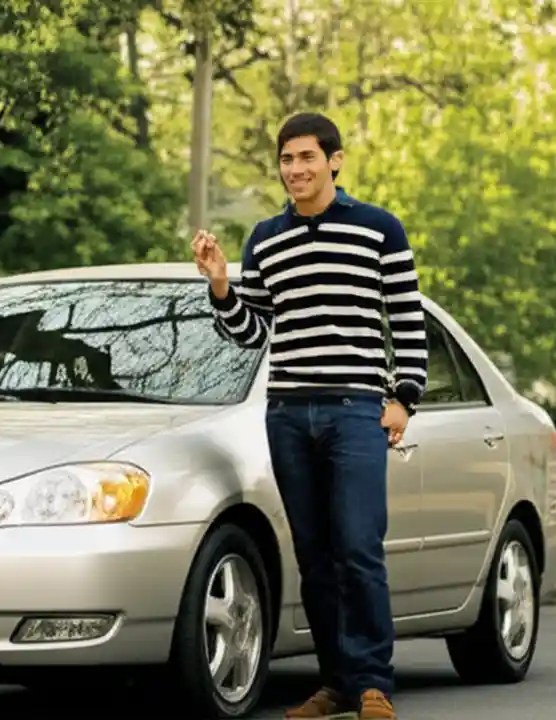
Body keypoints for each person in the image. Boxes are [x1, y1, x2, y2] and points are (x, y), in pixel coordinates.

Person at [191, 112, 427, 720]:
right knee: (315, 556)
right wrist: (221, 286)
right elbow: (250, 333)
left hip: (355, 410)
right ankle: (337, 683)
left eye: (306, 158)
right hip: (288, 412)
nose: (295, 170)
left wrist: (404, 396)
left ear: (335, 160)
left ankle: (374, 683)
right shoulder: (265, 239)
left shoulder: (379, 229)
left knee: (358, 546)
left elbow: (406, 317)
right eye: (286, 160)